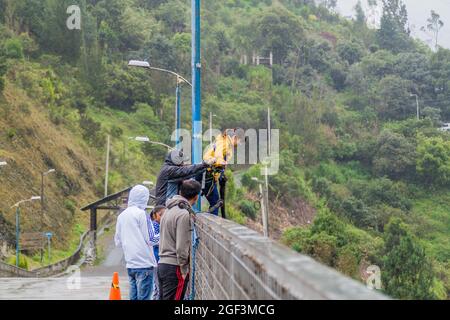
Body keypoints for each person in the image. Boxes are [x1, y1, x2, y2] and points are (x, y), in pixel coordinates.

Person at [158, 179, 202, 300]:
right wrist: (184, 270)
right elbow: (181, 246)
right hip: (175, 268)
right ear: (196, 197)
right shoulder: (183, 214)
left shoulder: (168, 210)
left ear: (181, 192)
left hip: (162, 265)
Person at [114, 185, 158, 300]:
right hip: (144, 264)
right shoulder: (142, 214)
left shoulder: (121, 216)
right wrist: (165, 233)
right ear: (145, 198)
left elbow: (117, 242)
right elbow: (152, 239)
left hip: (130, 265)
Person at [201, 128, 243, 216]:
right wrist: (221, 161)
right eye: (239, 141)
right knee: (216, 203)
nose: (239, 144)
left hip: (210, 176)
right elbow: (218, 154)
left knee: (215, 202)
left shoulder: (227, 143)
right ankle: (211, 225)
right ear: (235, 137)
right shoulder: (224, 142)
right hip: (206, 175)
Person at [148, 205, 166, 300]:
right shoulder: (155, 225)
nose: (163, 217)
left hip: (158, 259)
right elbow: (155, 242)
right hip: (156, 259)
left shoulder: (160, 225)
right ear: (155, 215)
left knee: (158, 287)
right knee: (159, 287)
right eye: (160, 215)